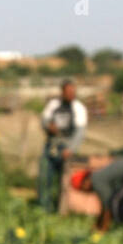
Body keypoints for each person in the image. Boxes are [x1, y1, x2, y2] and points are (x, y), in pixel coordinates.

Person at [37, 79, 88, 213]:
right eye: (68, 91)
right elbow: (44, 120)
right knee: (44, 177)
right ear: (62, 92)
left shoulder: (79, 108)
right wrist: (48, 126)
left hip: (67, 148)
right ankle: (44, 208)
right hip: (51, 146)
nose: (71, 94)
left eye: (73, 91)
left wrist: (71, 149)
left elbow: (80, 133)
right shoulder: (53, 104)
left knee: (65, 182)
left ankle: (61, 209)